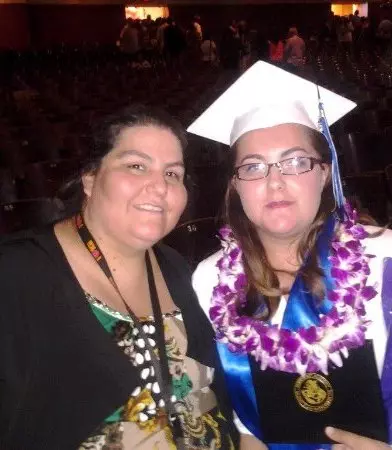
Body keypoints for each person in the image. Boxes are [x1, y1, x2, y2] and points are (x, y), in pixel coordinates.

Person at [187, 61, 392, 449]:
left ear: (325, 173)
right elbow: (243, 426)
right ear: (235, 186)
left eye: (296, 162)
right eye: (254, 167)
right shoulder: (210, 281)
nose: (274, 181)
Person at [0, 104, 237, 449]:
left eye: (173, 173)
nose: (159, 186)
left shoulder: (174, 266)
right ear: (90, 178)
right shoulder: (17, 275)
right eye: (136, 166)